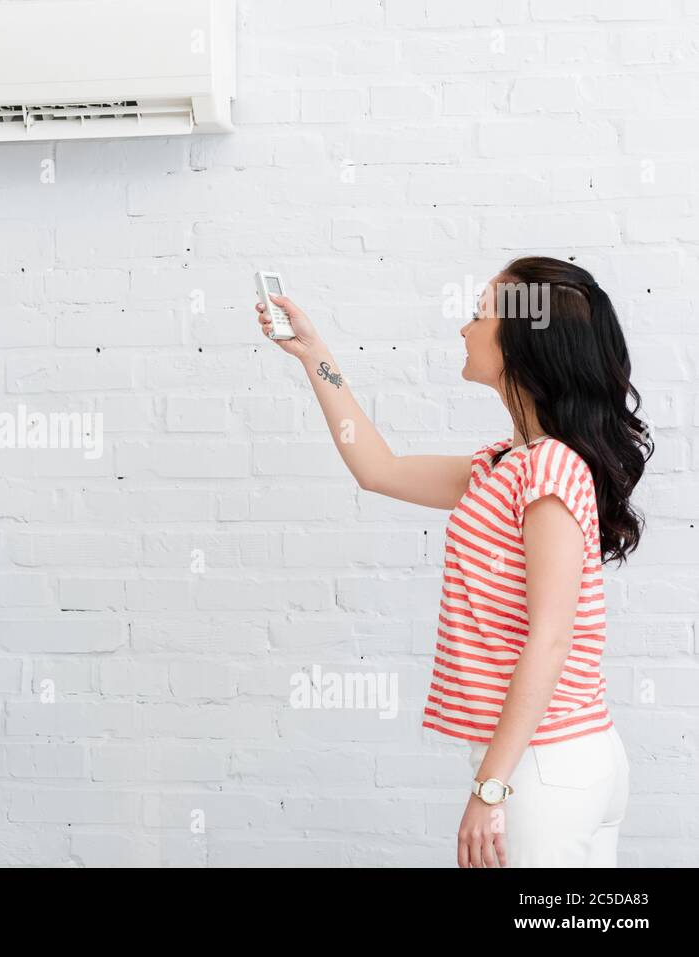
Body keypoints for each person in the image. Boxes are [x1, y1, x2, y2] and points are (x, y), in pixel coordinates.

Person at [256, 256, 651, 867]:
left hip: (541, 768)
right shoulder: (502, 465)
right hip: (557, 760)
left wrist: (490, 789)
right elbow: (377, 469)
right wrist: (315, 356)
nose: (464, 329)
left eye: (478, 314)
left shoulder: (549, 469)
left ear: (525, 339)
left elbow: (549, 639)